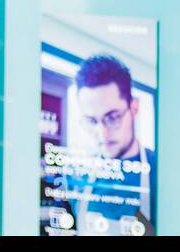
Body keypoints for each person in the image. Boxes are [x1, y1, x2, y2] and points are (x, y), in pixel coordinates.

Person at [57, 54, 156, 236]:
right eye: (91, 121)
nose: (103, 134)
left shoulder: (163, 174)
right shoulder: (75, 176)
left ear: (134, 108)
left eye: (112, 118)